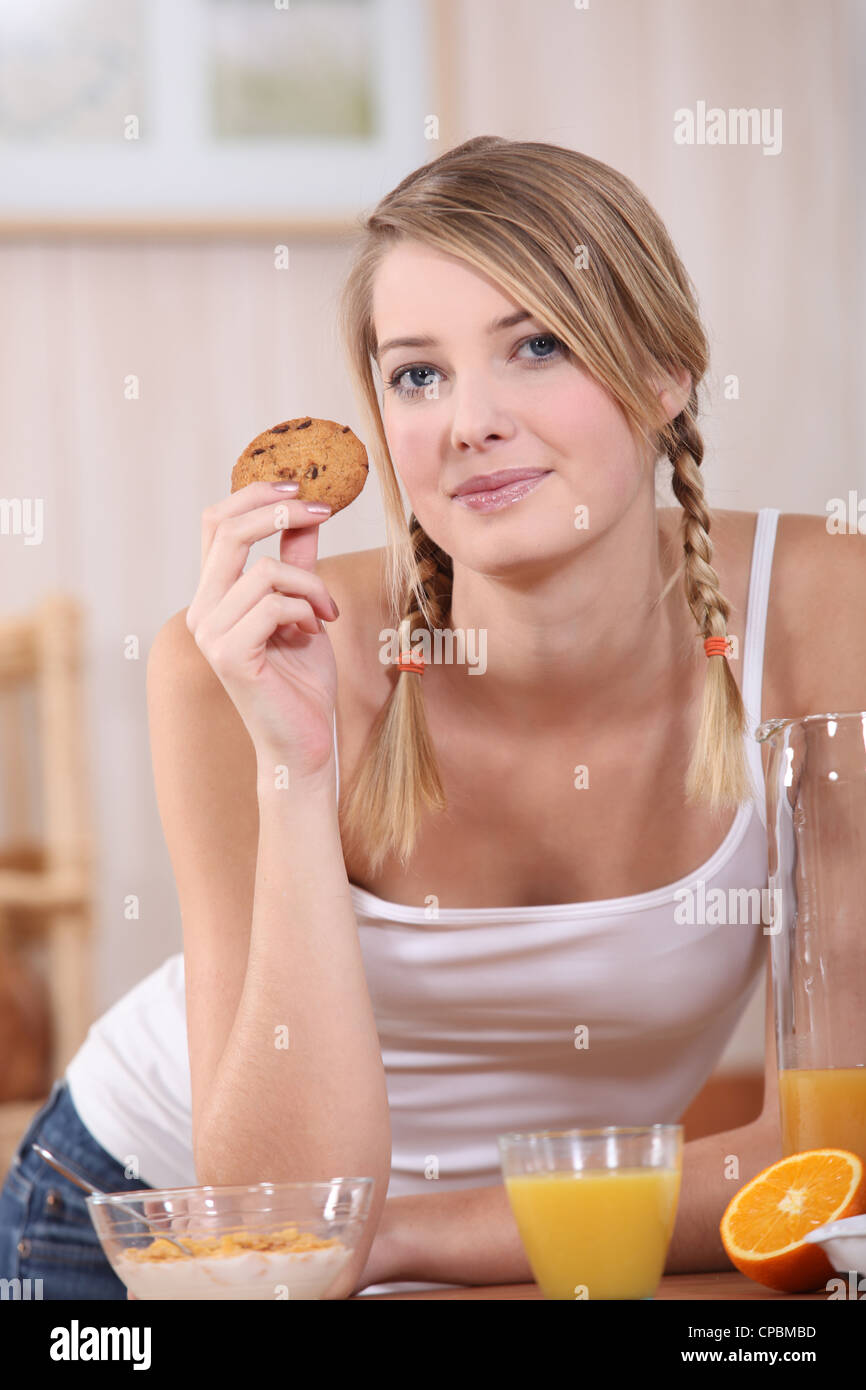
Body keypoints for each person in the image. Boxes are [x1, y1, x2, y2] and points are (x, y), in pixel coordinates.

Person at [1, 135, 854, 1301]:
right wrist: (295, 774)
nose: (467, 423)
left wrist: (406, 1238)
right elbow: (285, 1237)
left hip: (540, 1251)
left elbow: (826, 1162)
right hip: (151, 1237)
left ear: (664, 373)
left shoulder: (826, 613)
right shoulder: (239, 663)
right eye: (417, 375)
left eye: (535, 345)